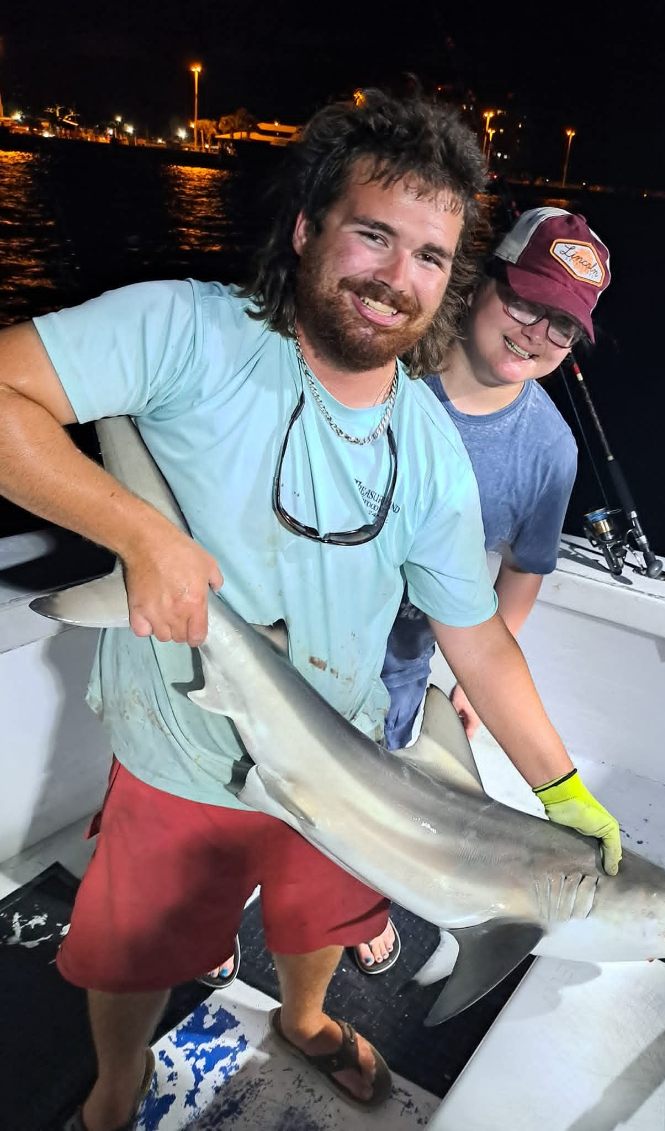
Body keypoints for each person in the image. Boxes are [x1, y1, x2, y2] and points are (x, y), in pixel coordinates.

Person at [0, 91, 621, 1130]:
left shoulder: (425, 447)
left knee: (318, 922)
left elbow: (472, 636)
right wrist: (143, 537)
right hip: (180, 755)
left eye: (428, 256)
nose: (396, 277)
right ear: (306, 227)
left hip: (345, 759)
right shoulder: (189, 331)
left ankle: (303, 1019)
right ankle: (114, 1089)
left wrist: (560, 789)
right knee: (138, 955)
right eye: (373, 235)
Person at [353, 206, 612, 973]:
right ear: (479, 281)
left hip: (403, 659)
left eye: (560, 327)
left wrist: (480, 678)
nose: (534, 334)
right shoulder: (378, 368)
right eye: (525, 302)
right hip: (296, 617)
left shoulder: (550, 450)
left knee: (372, 797)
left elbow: (526, 563)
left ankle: (354, 900)